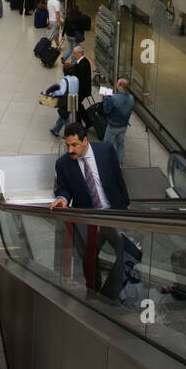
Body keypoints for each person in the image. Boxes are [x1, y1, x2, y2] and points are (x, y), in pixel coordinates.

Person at [50, 123, 130, 301]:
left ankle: (109, 294)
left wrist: (126, 204)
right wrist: (62, 198)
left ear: (85, 141)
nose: (70, 150)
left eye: (74, 145)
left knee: (128, 252)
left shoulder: (105, 150)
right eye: (67, 145)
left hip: (112, 213)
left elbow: (118, 177)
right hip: (87, 218)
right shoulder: (63, 164)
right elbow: (63, 187)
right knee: (88, 258)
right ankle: (93, 291)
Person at [50, 45, 92, 136]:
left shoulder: (83, 63)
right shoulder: (81, 62)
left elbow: (79, 77)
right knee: (77, 107)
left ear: (80, 53)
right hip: (79, 90)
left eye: (75, 53)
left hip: (81, 90)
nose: (74, 55)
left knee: (75, 107)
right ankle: (84, 123)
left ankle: (78, 128)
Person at [102, 79, 135, 166]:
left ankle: (105, 164)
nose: (116, 83)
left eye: (117, 83)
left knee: (106, 146)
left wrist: (105, 98)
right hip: (123, 126)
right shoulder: (131, 98)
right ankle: (120, 164)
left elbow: (106, 110)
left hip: (113, 126)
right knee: (120, 145)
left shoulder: (114, 98)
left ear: (120, 86)